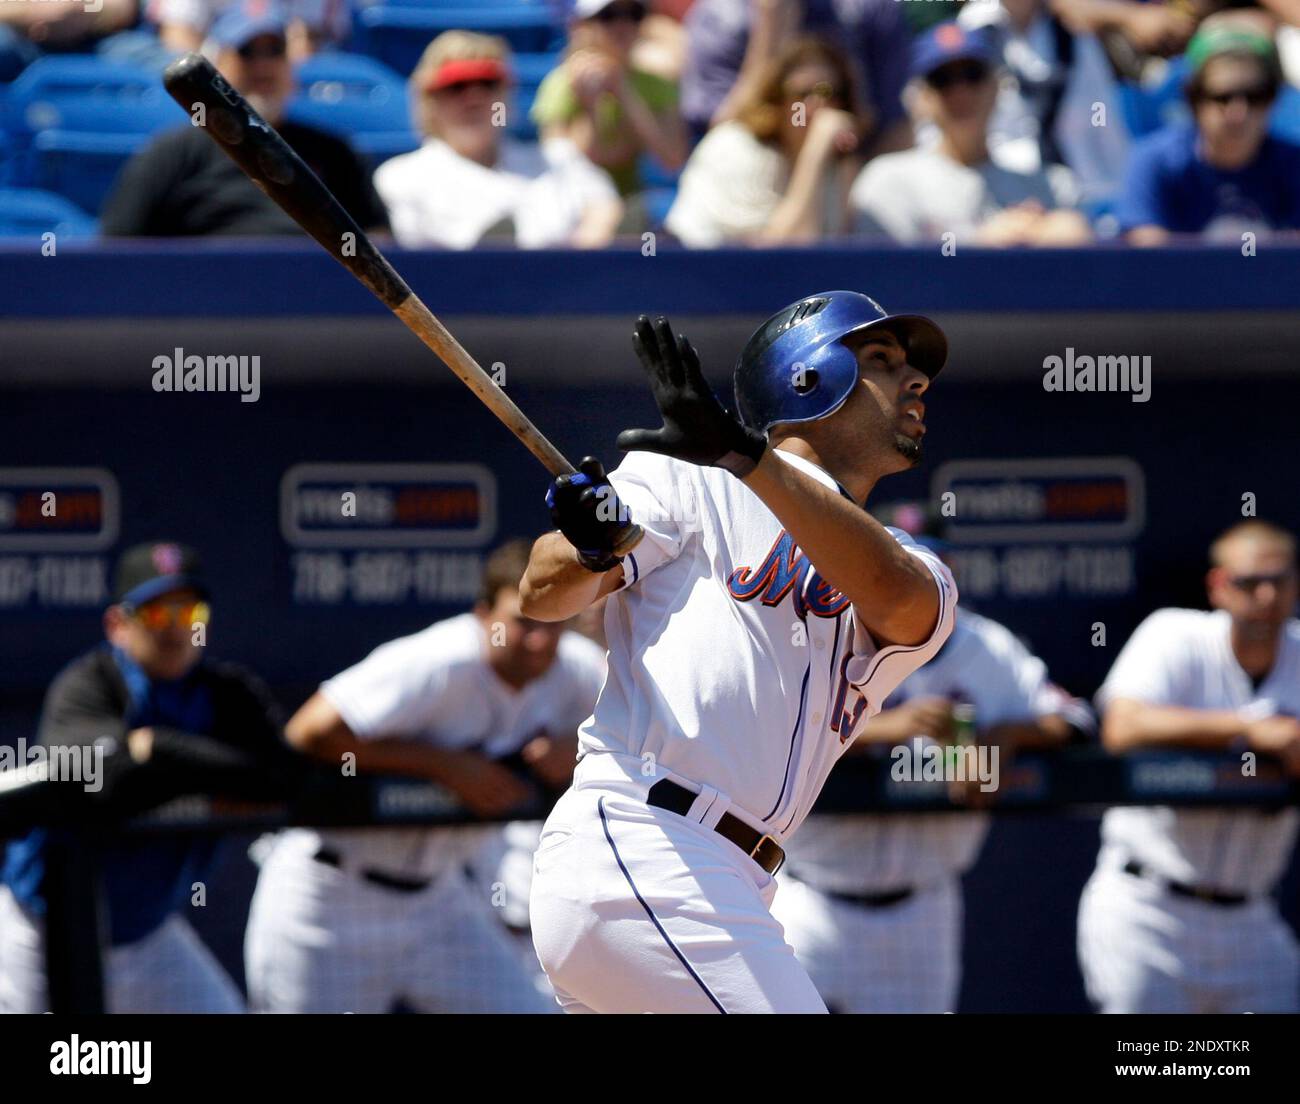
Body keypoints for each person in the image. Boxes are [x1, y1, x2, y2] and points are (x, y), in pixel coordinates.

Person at [520, 291, 958, 1013]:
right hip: (647, 839)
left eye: (915, 371)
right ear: (808, 375)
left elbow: (893, 594)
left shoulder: (912, 562)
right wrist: (589, 547)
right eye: (883, 361)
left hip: (729, 875)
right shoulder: (689, 478)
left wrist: (747, 456)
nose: (917, 382)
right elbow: (542, 593)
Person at [243, 540, 606, 1013]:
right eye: (522, 623)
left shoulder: (573, 667)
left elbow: (654, 727)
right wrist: (444, 765)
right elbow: (308, 730)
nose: (540, 641)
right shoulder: (439, 660)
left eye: (552, 626)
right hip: (329, 899)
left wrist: (580, 744)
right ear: (483, 615)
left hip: (440, 900)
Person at [771, 509, 1094, 1013]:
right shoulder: (820, 632)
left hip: (923, 907)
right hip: (814, 899)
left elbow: (1073, 718)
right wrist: (875, 726)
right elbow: (765, 729)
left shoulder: (988, 647)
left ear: (948, 573)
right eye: (894, 560)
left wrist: (1003, 738)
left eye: (925, 561)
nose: (908, 576)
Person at [0, 541, 293, 1013]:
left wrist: (154, 749)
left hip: (148, 938)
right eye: (158, 615)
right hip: (40, 933)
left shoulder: (228, 694)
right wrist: (205, 771)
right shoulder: (88, 684)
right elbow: (94, 778)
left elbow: (281, 777)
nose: (176, 630)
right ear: (118, 625)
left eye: (189, 613)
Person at [1077, 520, 1300, 1014]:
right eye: (1248, 583)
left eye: (1279, 581)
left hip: (1253, 917)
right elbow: (1123, 726)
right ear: (1218, 587)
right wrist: (1247, 728)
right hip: (1150, 906)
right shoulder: (1176, 634)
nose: (1265, 596)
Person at [100, 1, 386, 235]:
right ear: (216, 66)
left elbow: (379, 245)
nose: (262, 66)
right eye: (246, 51)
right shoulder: (173, 154)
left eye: (275, 51)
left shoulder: (335, 153)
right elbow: (116, 251)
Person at [374, 31, 623, 249]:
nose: (474, 99)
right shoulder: (401, 178)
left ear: (507, 94)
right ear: (429, 102)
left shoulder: (559, 158)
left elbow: (607, 210)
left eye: (488, 83)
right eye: (456, 87)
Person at [850, 21, 1091, 246]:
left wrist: (1067, 233)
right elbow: (887, 275)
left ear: (997, 87)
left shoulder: (1051, 184)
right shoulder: (888, 181)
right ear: (919, 98)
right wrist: (979, 244)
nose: (961, 92)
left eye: (973, 74)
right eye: (942, 80)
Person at [666, 36, 868, 246]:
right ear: (777, 99)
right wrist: (815, 151)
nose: (817, 105)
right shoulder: (738, 148)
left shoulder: (836, 163)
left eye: (829, 92)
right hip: (687, 271)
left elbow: (831, 254)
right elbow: (779, 254)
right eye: (803, 94)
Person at [1116, 20, 1300, 243]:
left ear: (1273, 99)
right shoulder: (1155, 164)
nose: (1238, 112)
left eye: (1255, 96)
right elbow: (1148, 262)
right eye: (1223, 97)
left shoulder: (1294, 165)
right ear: (1194, 100)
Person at [681, 0, 914, 155]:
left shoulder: (868, 9)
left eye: (826, 92)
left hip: (844, 171)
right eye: (802, 94)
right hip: (756, 173)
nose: (810, 104)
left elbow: (894, 126)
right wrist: (770, 30)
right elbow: (723, 137)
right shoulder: (718, 15)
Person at [531, 0, 687, 202]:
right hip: (572, 207)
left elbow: (672, 159)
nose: (623, 25)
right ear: (583, 25)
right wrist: (591, 106)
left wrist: (624, 92)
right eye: (609, 15)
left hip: (631, 208)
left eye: (634, 14)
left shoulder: (656, 83)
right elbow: (564, 167)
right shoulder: (560, 84)